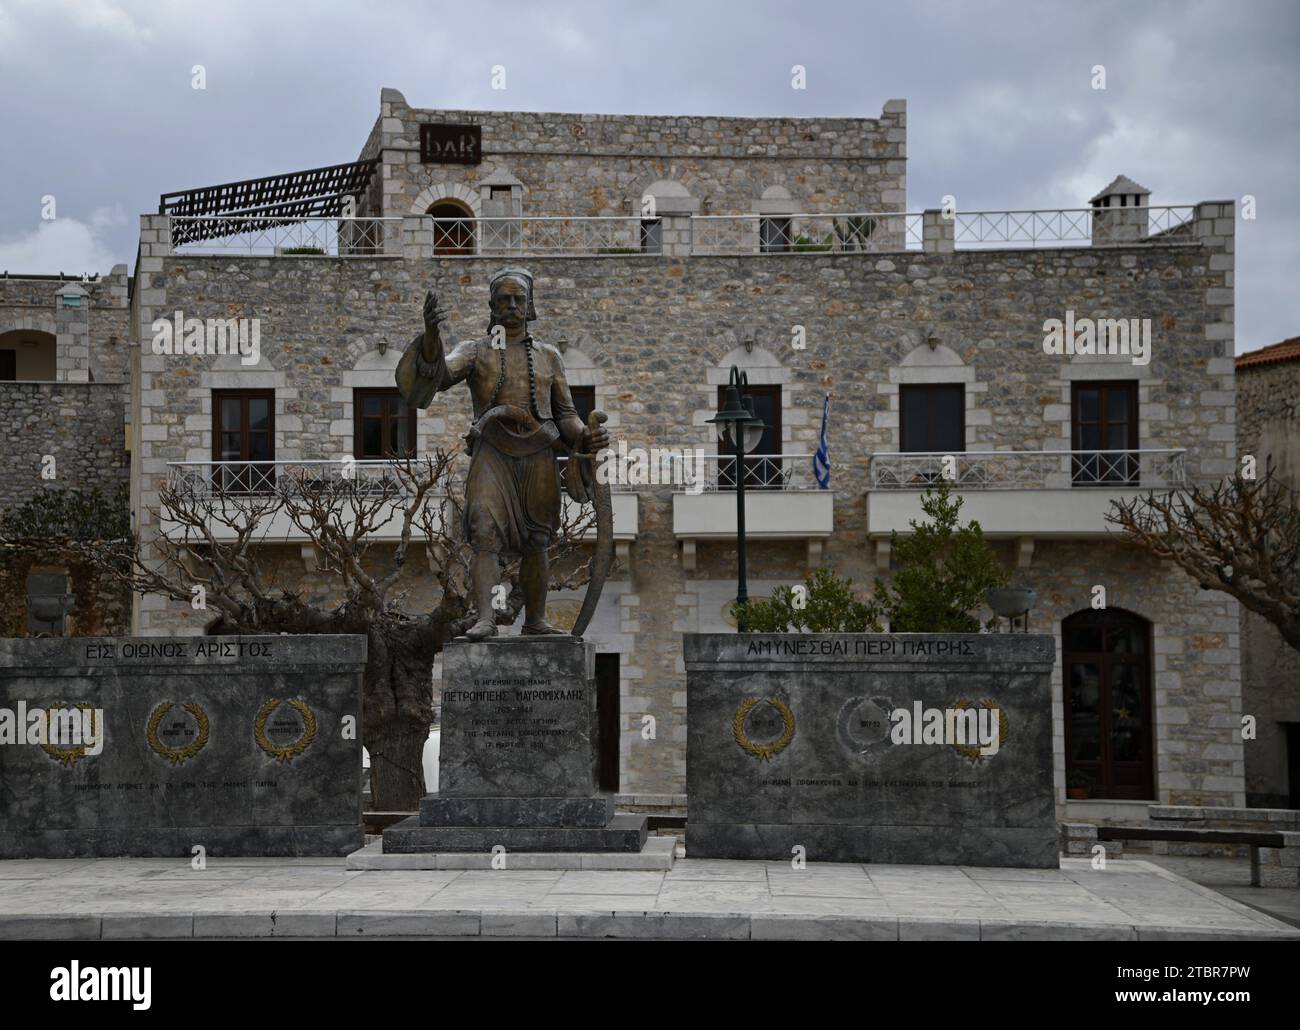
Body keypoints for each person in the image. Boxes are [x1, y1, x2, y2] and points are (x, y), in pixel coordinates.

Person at [395, 268, 608, 639]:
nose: (512, 306)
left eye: (519, 299)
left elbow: (566, 414)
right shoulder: (476, 351)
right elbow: (441, 376)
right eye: (504, 300)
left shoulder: (549, 356)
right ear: (492, 306)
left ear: (530, 305)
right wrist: (431, 337)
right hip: (492, 452)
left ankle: (536, 621)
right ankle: (486, 619)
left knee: (537, 540)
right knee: (484, 531)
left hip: (538, 453)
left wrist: (585, 437)